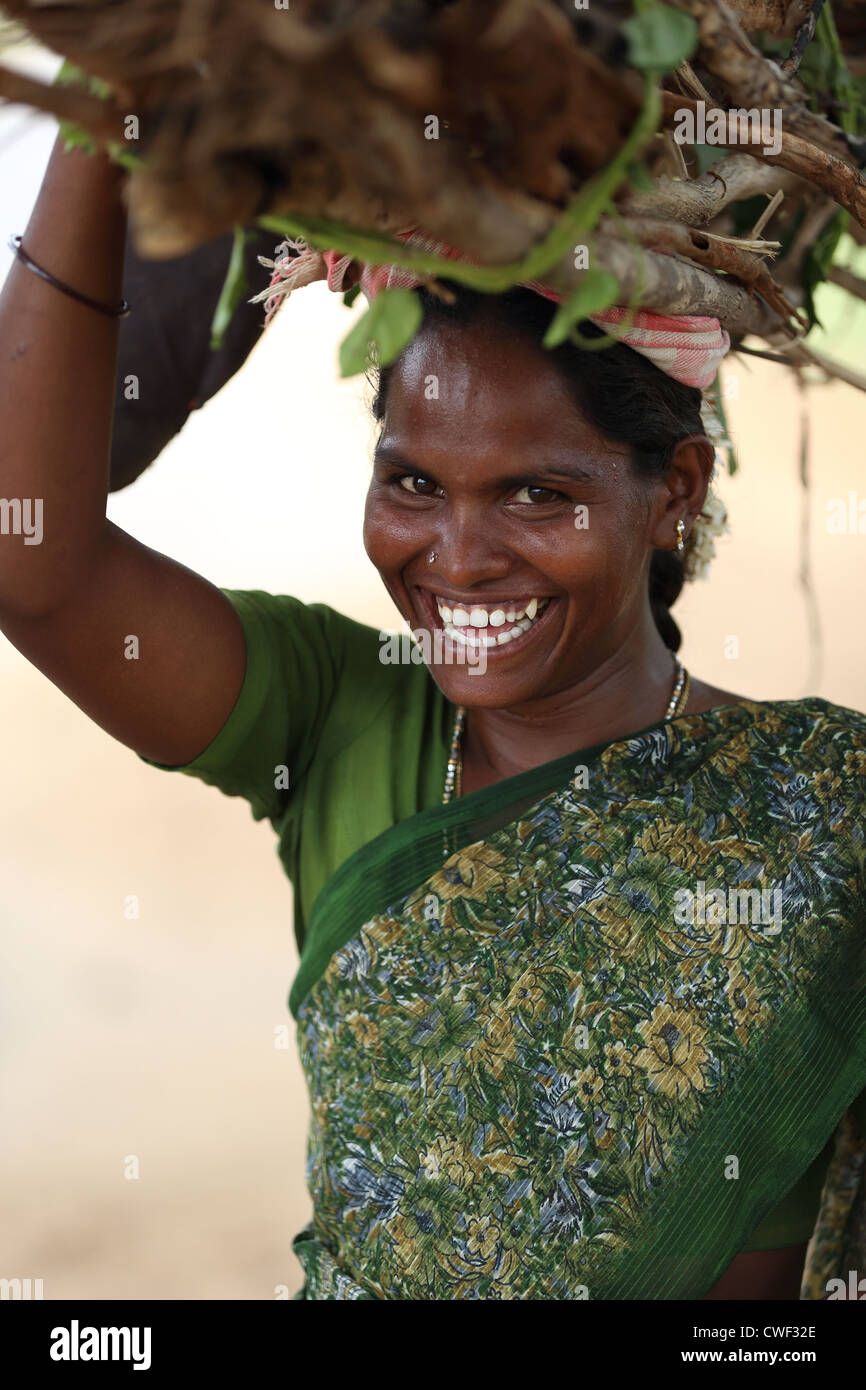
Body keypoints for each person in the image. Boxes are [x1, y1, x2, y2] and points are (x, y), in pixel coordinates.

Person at [2, 134, 865, 1301]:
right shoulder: (334, 713)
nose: (455, 562)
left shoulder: (823, 809)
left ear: (674, 490)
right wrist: (104, 122)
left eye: (534, 494)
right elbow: (32, 559)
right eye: (413, 482)